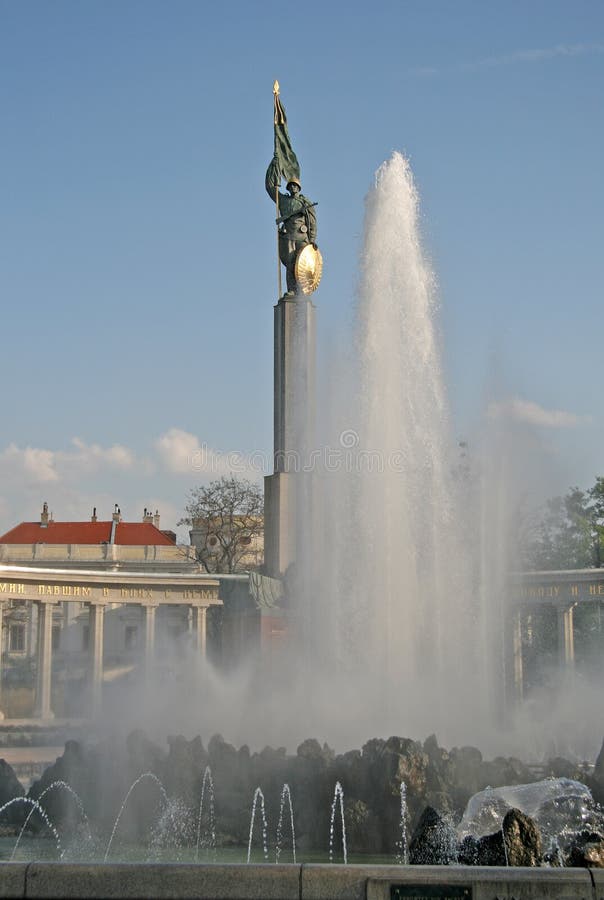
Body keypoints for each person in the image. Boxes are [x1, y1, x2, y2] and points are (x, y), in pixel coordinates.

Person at [265, 156, 317, 297]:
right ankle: (292, 289)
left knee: (303, 265)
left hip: (302, 236)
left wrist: (312, 239)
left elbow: (312, 221)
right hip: (288, 236)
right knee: (290, 264)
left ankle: (302, 290)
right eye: (291, 186)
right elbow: (270, 188)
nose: (293, 187)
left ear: (299, 187)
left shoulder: (304, 202)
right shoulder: (283, 201)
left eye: (295, 185)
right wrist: (274, 165)